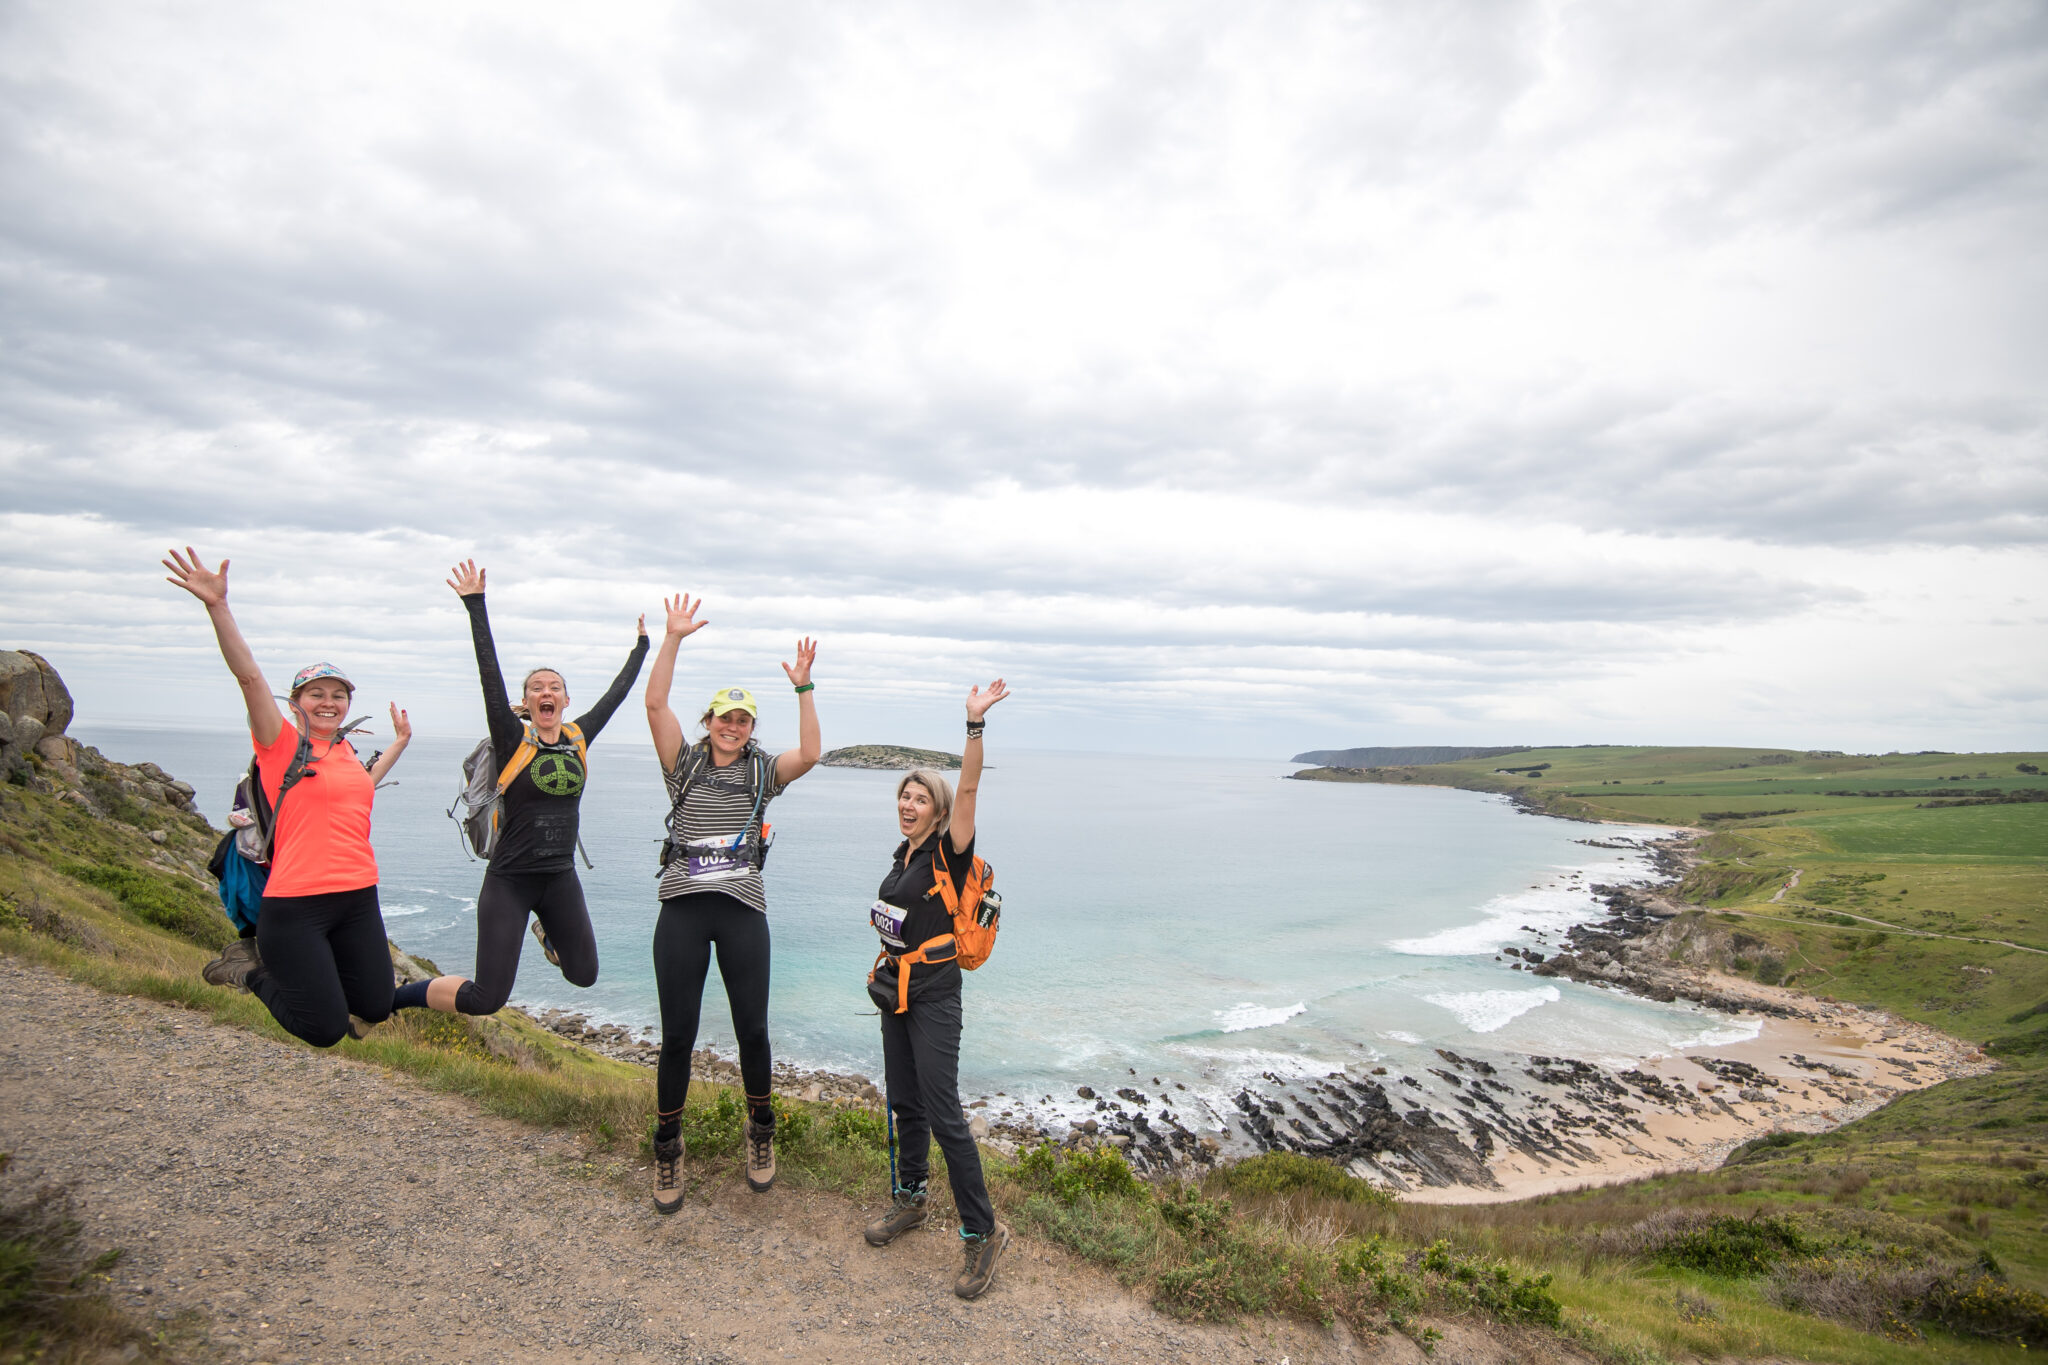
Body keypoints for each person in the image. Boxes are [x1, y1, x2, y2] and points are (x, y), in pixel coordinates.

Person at [164, 546, 410, 1048]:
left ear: (346, 705)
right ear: (295, 703)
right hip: (295, 903)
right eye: (316, 693)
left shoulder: (343, 754)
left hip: (359, 897)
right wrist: (218, 606)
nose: (328, 701)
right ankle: (249, 970)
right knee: (322, 1030)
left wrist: (401, 743)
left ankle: (313, 984)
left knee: (374, 1006)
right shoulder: (281, 746)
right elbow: (249, 676)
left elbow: (364, 785)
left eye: (337, 694)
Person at [389, 560, 649, 1017]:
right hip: (509, 880)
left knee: (584, 974)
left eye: (554, 688)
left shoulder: (578, 738)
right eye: (536, 688)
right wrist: (476, 605)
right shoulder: (513, 740)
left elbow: (617, 694)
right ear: (528, 702)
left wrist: (643, 646)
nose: (545, 693)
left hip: (559, 876)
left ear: (566, 701)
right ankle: (395, 1000)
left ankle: (546, 931)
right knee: (486, 999)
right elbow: (488, 674)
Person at [643, 593, 820, 1212]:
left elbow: (813, 754)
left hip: (743, 909)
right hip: (683, 910)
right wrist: (672, 639)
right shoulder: (683, 766)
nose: (733, 726)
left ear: (750, 729)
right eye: (725, 716)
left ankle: (761, 1135)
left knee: (753, 1031)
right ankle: (668, 1147)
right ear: (710, 721)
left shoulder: (761, 773)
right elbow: (655, 703)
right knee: (678, 1036)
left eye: (743, 720)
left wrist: (804, 689)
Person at [860, 679, 1011, 1300]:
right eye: (904, 794)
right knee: (905, 1102)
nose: (909, 803)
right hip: (895, 992)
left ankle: (983, 1233)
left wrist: (973, 727)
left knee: (944, 1111)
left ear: (940, 811)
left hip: (934, 996)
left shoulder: (949, 852)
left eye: (920, 797)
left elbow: (970, 785)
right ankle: (912, 1199)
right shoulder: (902, 855)